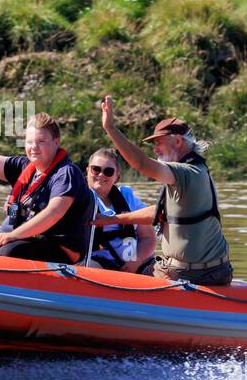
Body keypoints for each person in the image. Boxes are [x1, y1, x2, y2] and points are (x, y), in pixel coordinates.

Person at [96, 96, 233, 286]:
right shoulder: (197, 170)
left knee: (137, 270)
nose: (155, 150)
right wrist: (113, 219)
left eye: (159, 143)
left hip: (187, 274)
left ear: (177, 141)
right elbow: (161, 212)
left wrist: (110, 128)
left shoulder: (185, 172)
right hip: (219, 271)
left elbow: (141, 164)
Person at [0, 91, 93, 264]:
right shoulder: (23, 166)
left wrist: (12, 236)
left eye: (41, 142)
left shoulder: (66, 173)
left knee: (9, 250)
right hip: (28, 237)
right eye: (29, 142)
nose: (34, 147)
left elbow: (54, 213)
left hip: (61, 248)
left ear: (56, 142)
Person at [85, 148, 156, 274]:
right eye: (96, 169)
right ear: (88, 171)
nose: (101, 174)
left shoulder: (129, 198)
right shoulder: (78, 199)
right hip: (98, 264)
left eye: (108, 171)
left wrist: (136, 262)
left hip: (135, 264)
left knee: (158, 271)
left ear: (117, 177)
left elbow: (148, 238)